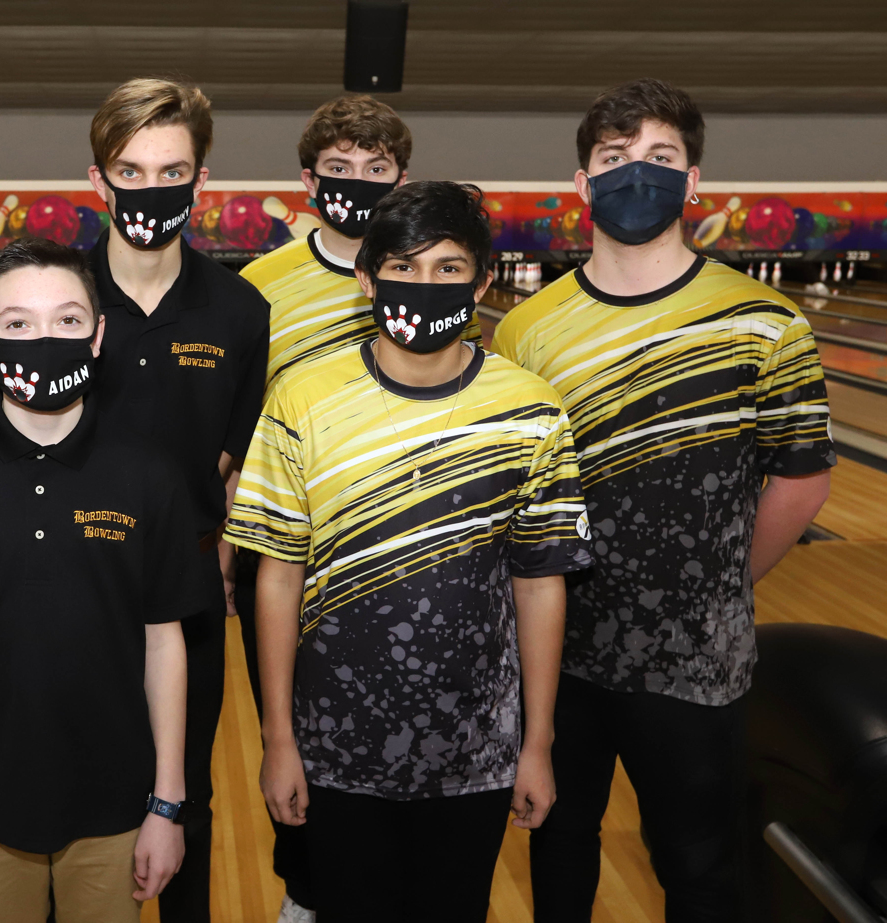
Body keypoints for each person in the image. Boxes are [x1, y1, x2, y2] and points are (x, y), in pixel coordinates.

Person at [492, 78, 836, 922]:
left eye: (660, 155)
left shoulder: (766, 321)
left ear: (693, 181)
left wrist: (721, 583)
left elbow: (802, 478)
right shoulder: (527, 330)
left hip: (698, 660)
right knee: (559, 846)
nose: (636, 172)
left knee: (700, 865)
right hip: (559, 649)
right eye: (615, 157)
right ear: (583, 183)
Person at [228, 181, 594, 923]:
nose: (424, 286)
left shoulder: (531, 409)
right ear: (367, 278)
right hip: (334, 746)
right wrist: (278, 739)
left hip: (476, 750)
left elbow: (539, 583)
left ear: (483, 282)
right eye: (403, 267)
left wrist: (538, 742)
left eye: (448, 268)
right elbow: (278, 577)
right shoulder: (301, 399)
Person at [0, 237, 199, 923]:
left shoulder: (148, 473)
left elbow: (164, 642)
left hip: (117, 802)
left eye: (66, 320)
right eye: (17, 323)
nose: (44, 339)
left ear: (97, 336)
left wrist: (167, 803)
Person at [236, 96, 480, 920]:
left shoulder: (437, 281)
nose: (357, 182)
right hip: (293, 546)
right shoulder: (261, 285)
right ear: (309, 181)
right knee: (294, 736)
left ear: (401, 179)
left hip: (412, 546)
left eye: (376, 169)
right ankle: (306, 890)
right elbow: (240, 422)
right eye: (339, 168)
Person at [85, 76, 270, 923]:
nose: (150, 189)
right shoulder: (59, 297)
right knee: (71, 793)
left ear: (200, 180)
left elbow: (233, 462)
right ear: (98, 179)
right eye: (130, 171)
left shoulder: (239, 311)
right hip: (70, 585)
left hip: (185, 592)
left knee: (184, 797)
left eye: (171, 171)